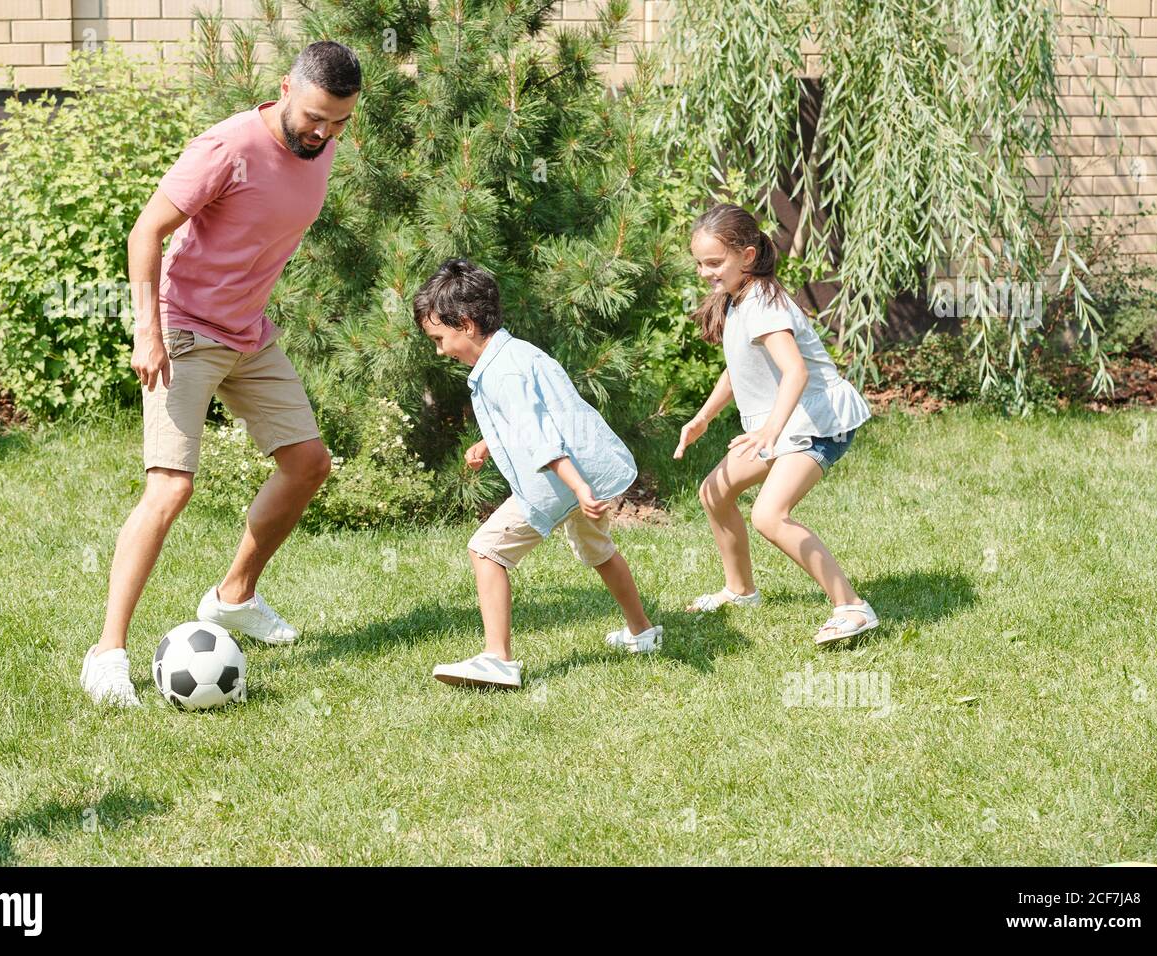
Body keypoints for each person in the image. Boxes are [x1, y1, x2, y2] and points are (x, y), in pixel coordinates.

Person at [80, 42, 362, 706]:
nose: (323, 133)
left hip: (249, 334)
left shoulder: (320, 146)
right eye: (315, 117)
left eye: (340, 123)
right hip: (184, 330)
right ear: (285, 87)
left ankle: (233, 597)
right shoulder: (226, 148)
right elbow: (146, 230)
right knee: (170, 487)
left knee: (309, 463)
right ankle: (106, 654)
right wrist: (147, 330)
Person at [414, 259, 662, 689]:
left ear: (467, 324)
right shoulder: (518, 353)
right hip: (584, 474)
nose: (440, 351)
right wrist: (490, 442)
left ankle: (498, 659)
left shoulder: (502, 373)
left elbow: (544, 438)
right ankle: (642, 632)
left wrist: (577, 487)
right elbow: (539, 411)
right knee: (599, 550)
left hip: (561, 480)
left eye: (439, 339)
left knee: (487, 549)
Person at [673, 203, 877, 646]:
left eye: (714, 262)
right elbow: (737, 368)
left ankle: (853, 608)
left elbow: (796, 372)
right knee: (714, 491)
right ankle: (740, 591)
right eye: (700, 263)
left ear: (746, 257)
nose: (705, 272)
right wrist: (703, 418)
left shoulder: (763, 302)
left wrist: (770, 432)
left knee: (769, 514)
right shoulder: (736, 299)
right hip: (785, 424)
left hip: (817, 423)